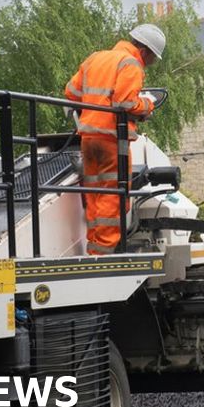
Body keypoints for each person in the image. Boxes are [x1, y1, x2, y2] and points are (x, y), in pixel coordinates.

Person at [64, 23, 165, 255]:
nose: (150, 63)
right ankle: (103, 253)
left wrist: (96, 106)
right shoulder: (131, 64)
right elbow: (125, 103)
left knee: (94, 193)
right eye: (152, 58)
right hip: (112, 139)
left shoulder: (95, 58)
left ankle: (94, 249)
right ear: (145, 51)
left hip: (88, 138)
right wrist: (147, 105)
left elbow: (71, 92)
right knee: (113, 196)